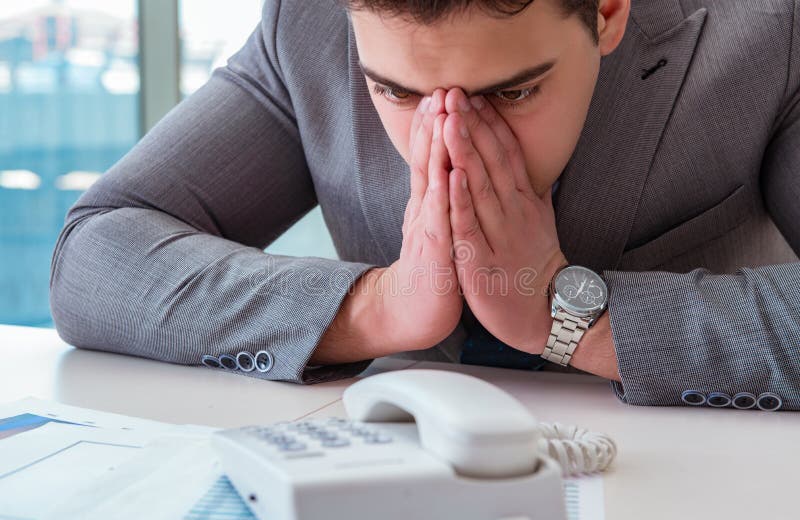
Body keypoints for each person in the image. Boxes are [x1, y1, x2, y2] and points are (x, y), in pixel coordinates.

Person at [49, 0, 800, 410]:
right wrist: (381, 306)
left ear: (606, 12)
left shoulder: (767, 35)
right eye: (397, 92)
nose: (449, 140)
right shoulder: (308, 25)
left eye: (514, 91)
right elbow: (93, 256)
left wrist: (575, 320)